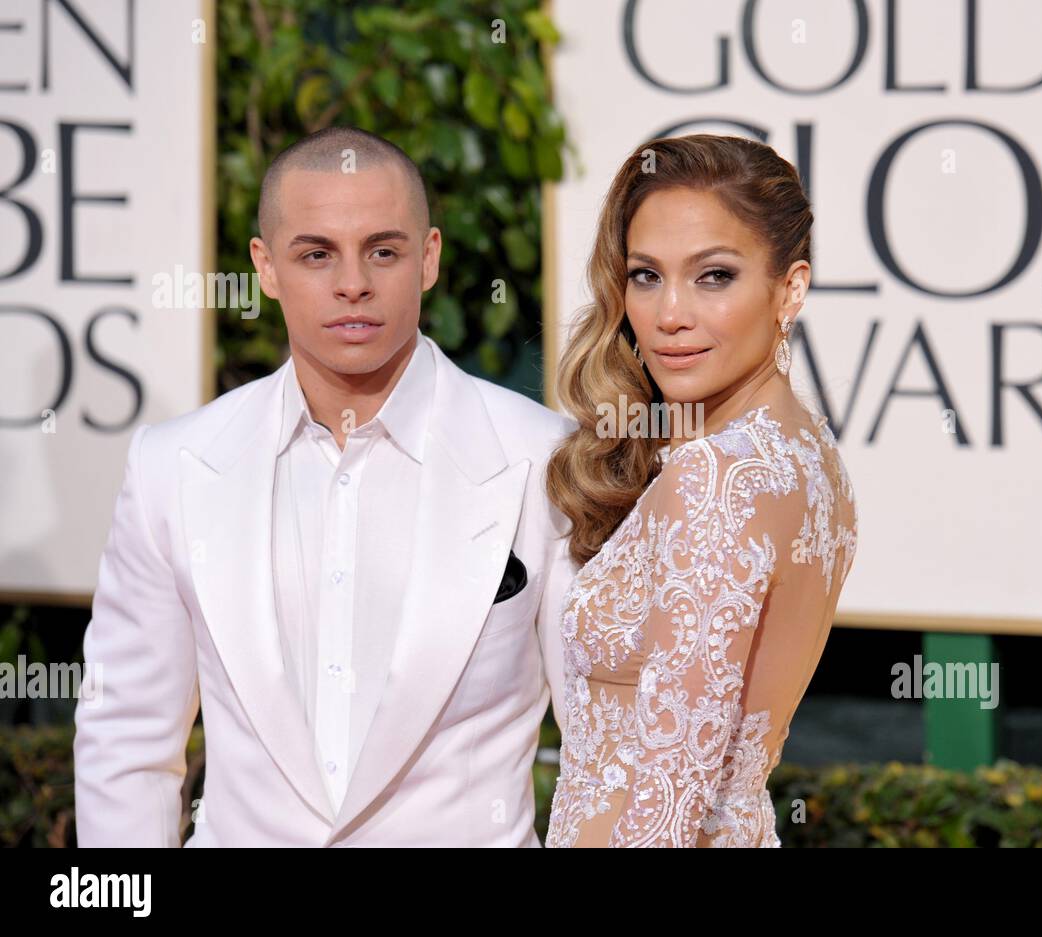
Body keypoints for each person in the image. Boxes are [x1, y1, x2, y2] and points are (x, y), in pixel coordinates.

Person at [73, 126, 575, 847]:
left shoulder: (546, 458)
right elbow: (126, 738)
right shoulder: (170, 466)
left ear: (428, 257)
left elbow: (605, 742)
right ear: (266, 265)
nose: (352, 284)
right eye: (316, 253)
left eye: (383, 250)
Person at [544, 134, 858, 847]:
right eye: (646, 276)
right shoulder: (813, 456)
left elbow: (666, 810)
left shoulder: (716, 476)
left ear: (791, 288)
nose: (669, 315)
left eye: (713, 276)